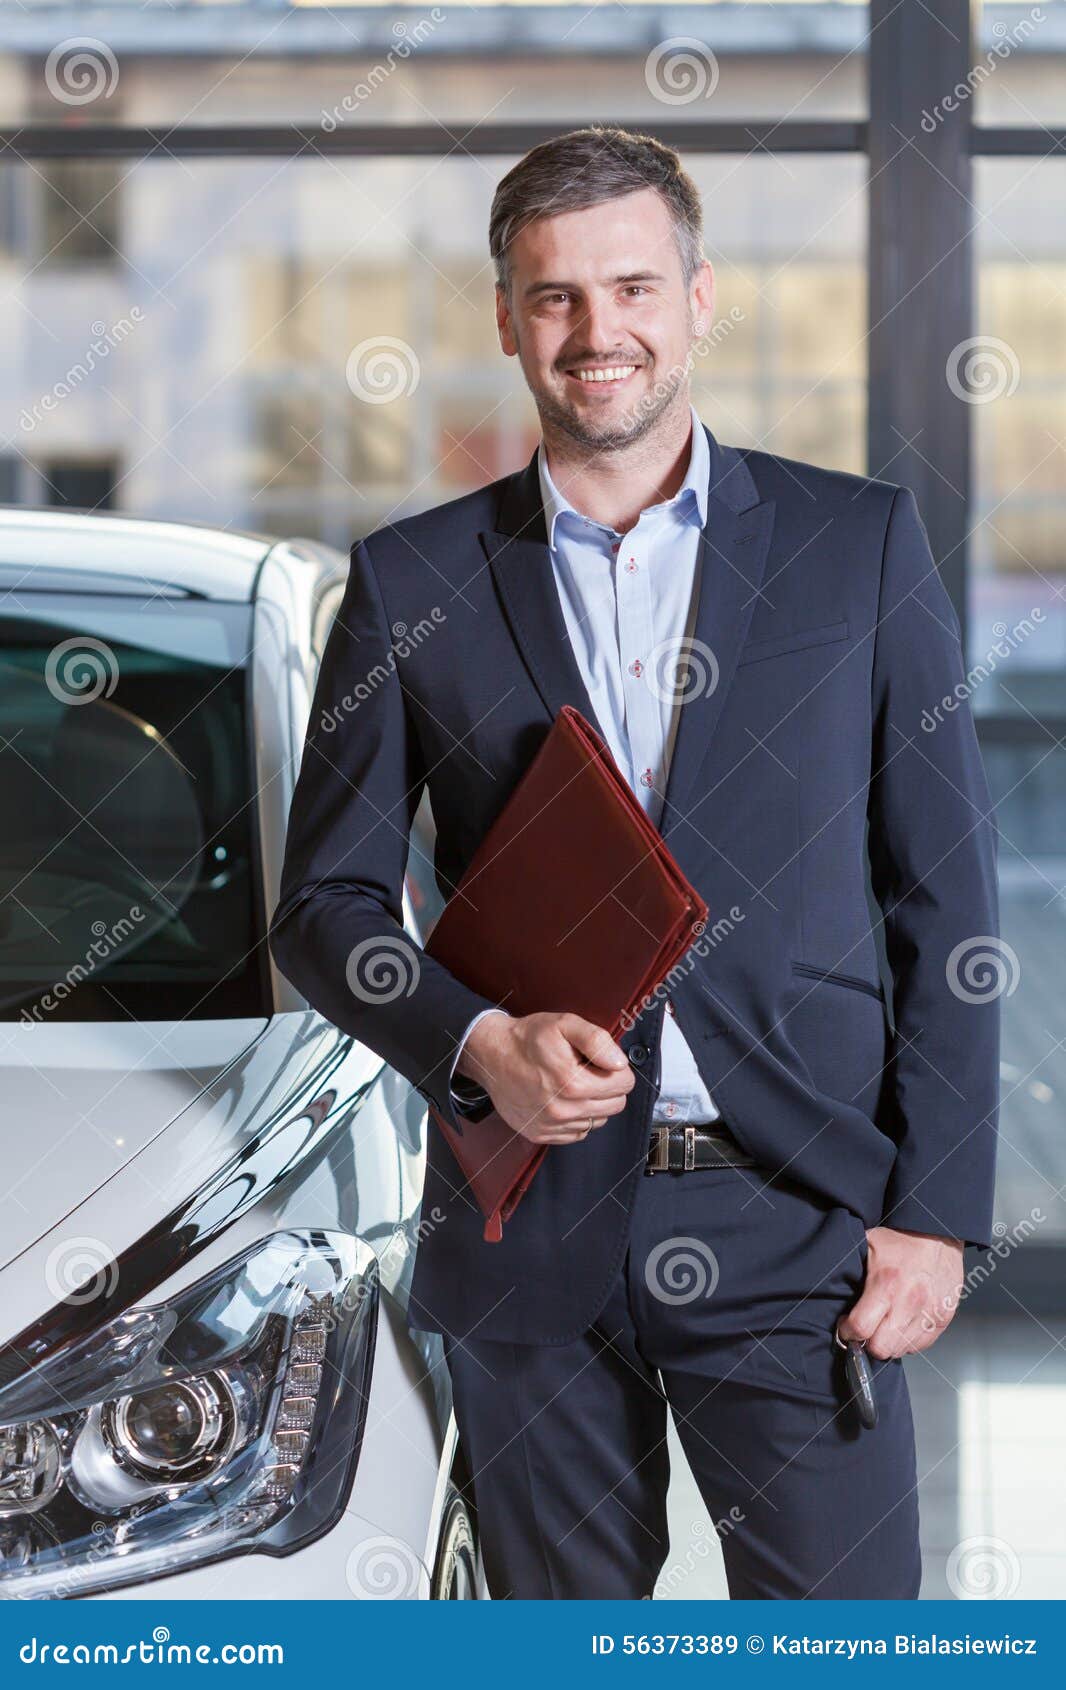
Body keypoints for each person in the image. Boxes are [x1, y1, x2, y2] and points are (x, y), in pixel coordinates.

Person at [269, 125, 999, 1600]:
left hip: (800, 1225)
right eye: (554, 297)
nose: (598, 333)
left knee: (841, 1647)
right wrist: (475, 1041)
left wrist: (933, 1213)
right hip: (529, 1221)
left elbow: (945, 900)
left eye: (631, 287)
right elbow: (325, 911)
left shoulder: (852, 547)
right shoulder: (412, 580)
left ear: (699, 296)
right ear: (504, 320)